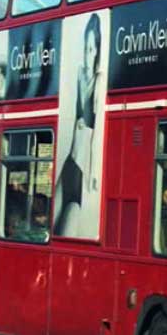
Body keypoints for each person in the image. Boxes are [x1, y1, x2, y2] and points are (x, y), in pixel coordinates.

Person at [53, 13, 102, 236]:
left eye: (92, 49)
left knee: (66, 232)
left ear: (98, 51)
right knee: (50, 233)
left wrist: (94, 174)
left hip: (84, 170)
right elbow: (70, 117)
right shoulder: (79, 74)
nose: (88, 54)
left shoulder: (100, 80)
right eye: (85, 47)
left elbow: (98, 127)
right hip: (69, 163)